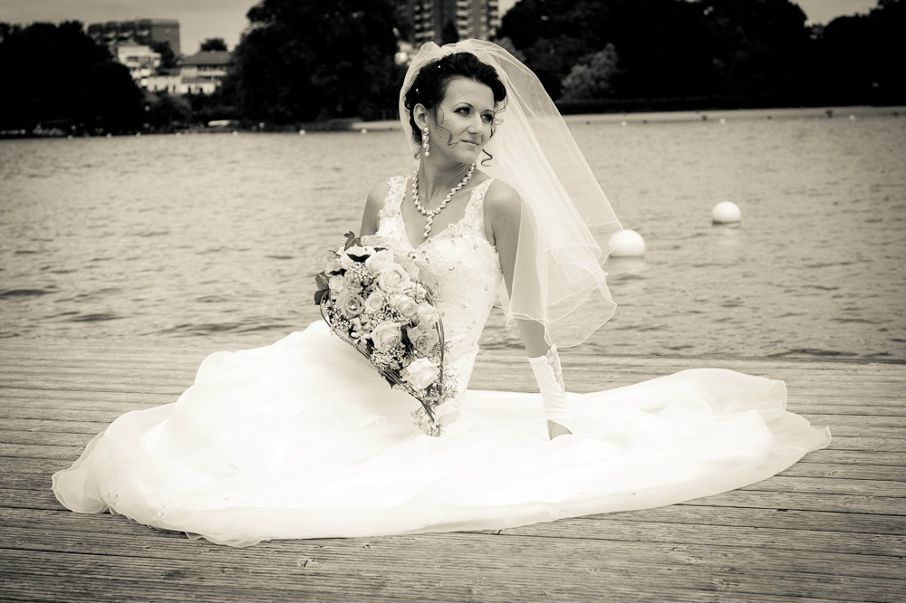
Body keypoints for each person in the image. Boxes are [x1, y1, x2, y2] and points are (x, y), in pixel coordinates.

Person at [52, 40, 830, 547]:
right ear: (422, 116)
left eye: (489, 116)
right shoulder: (384, 195)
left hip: (431, 390)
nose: (480, 128)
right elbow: (354, 290)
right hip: (354, 361)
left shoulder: (503, 203)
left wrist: (558, 414)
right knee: (232, 407)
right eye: (464, 111)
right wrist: (355, 320)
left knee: (301, 465)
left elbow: (528, 315)